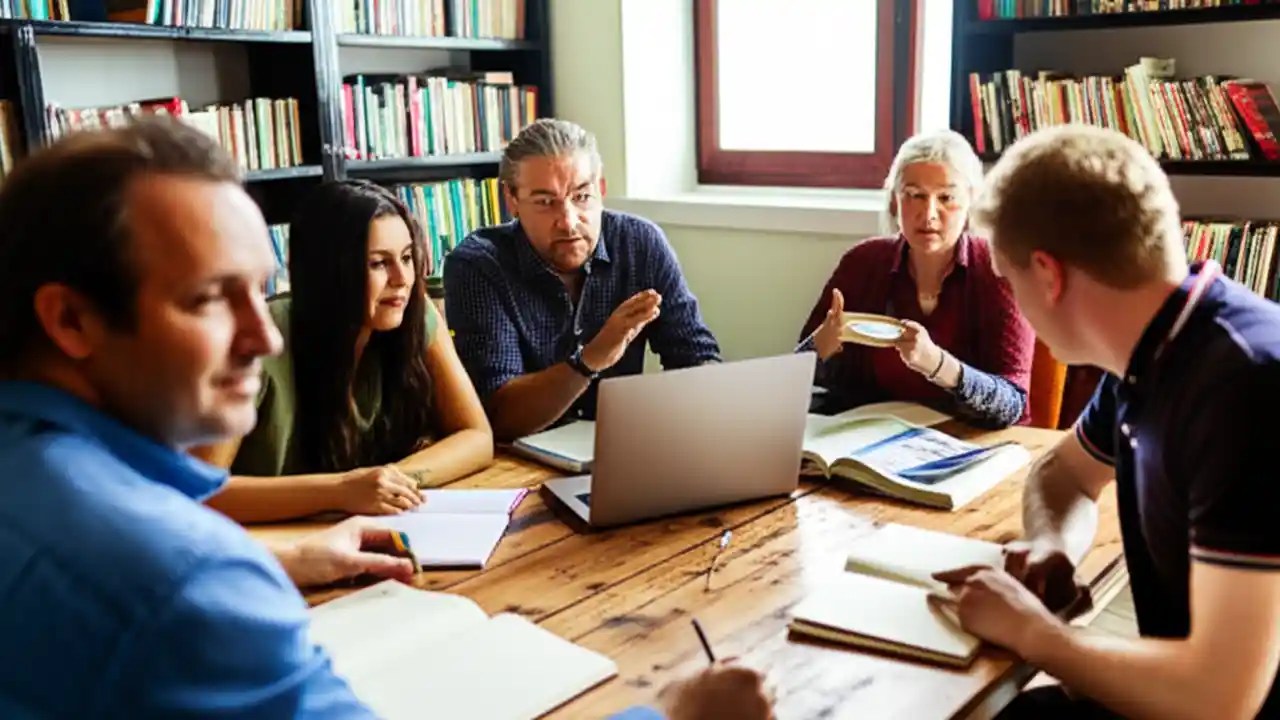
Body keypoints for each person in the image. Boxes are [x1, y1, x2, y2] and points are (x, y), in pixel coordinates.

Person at [0, 117, 771, 719]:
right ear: (70, 320)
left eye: (257, 290)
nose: (264, 335)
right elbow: (163, 584)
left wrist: (289, 555)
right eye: (208, 298)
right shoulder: (188, 584)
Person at [932, 124, 1280, 719]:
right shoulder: (1157, 345)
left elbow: (1222, 699)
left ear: (1048, 274)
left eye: (1010, 283)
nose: (1017, 305)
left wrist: (1034, 631)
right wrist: (1050, 546)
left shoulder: (1248, 387)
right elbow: (1061, 474)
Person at [195, 180, 493, 523]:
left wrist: (391, 481)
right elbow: (199, 492)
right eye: (378, 263)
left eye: (407, 257)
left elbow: (476, 437)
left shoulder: (415, 315)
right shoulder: (258, 340)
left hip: (362, 530)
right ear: (328, 270)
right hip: (268, 542)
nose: (402, 279)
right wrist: (339, 491)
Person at [444, 118, 721, 440]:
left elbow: (695, 354)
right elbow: (498, 415)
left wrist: (714, 398)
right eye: (545, 202)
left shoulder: (640, 243)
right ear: (512, 200)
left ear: (600, 189)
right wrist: (591, 358)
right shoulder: (478, 265)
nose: (568, 221)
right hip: (520, 451)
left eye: (581, 196)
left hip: (619, 442)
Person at [798, 129, 1035, 428]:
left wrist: (937, 363)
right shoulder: (863, 262)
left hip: (965, 438)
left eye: (946, 197)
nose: (929, 213)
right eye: (915, 195)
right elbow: (798, 374)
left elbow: (1012, 403)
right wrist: (820, 347)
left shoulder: (998, 270)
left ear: (971, 203)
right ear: (895, 202)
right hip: (869, 433)